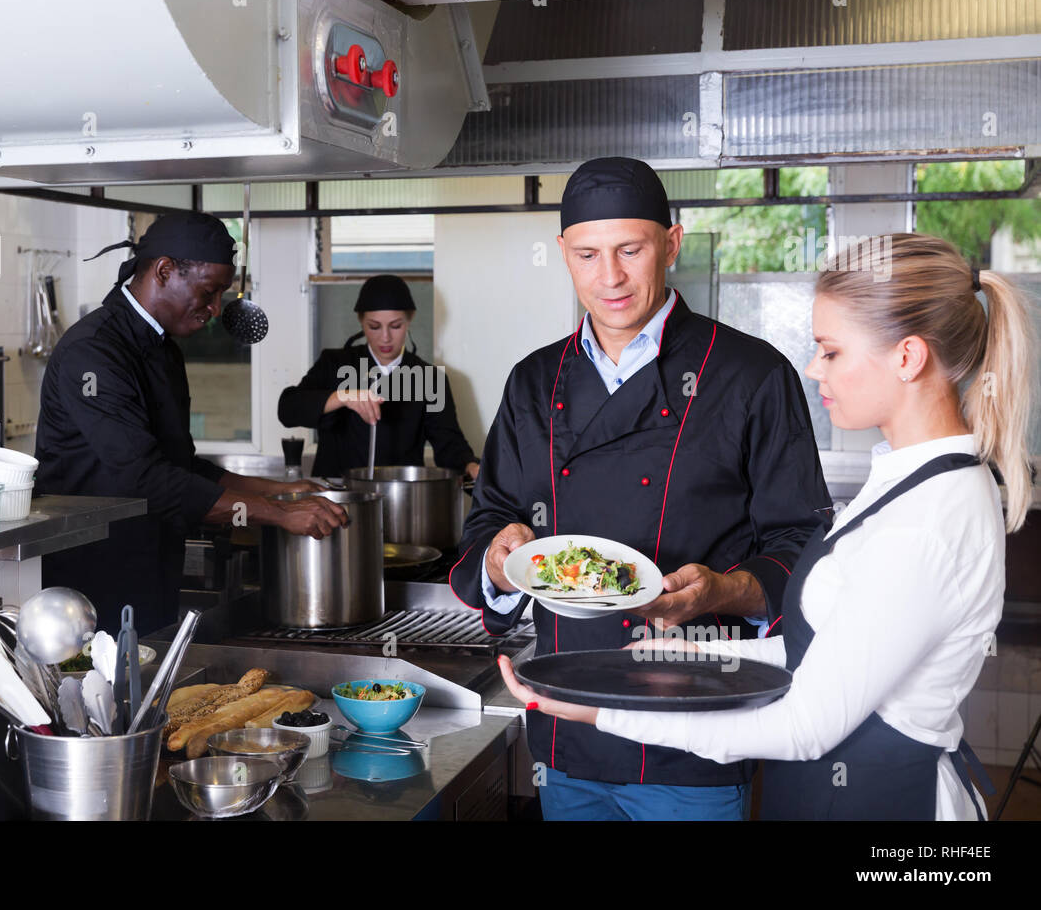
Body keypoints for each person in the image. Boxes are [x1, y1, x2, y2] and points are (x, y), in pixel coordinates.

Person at [499, 233, 1034, 820]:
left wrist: (606, 712)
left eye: (831, 351)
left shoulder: (928, 519)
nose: (813, 367)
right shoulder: (912, 480)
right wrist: (687, 660)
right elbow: (828, 649)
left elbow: (803, 727)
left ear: (907, 357)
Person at [451, 156, 831, 820]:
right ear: (563, 254)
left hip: (695, 733)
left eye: (631, 250)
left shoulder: (750, 374)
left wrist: (725, 590)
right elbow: (493, 517)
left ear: (672, 244)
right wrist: (498, 560)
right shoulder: (533, 381)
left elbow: (801, 539)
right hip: (568, 726)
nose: (611, 277)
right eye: (588, 254)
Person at [35, 212, 347, 635]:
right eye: (208, 292)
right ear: (164, 271)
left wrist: (279, 491)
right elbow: (146, 479)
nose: (215, 310)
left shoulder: (164, 349)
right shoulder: (93, 352)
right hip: (89, 582)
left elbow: (178, 465)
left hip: (152, 565)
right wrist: (277, 514)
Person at [277, 274, 481, 481]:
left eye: (395, 326)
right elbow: (288, 409)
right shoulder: (334, 363)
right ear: (361, 321)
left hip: (401, 493)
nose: (385, 337)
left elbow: (449, 444)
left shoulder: (430, 379)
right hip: (335, 493)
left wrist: (471, 466)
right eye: (374, 327)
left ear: (409, 319)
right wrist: (342, 397)